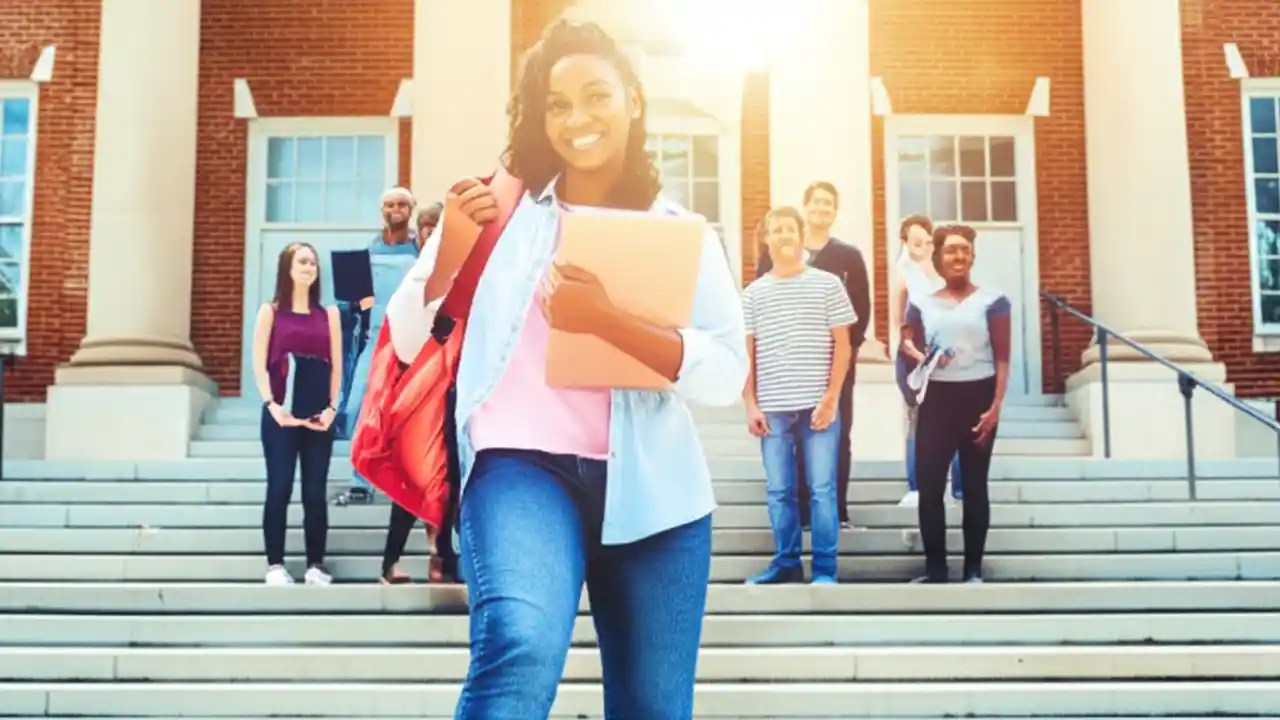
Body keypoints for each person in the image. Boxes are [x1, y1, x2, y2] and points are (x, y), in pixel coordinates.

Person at [385, 19, 746, 717]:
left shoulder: (681, 232)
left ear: (633, 100)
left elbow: (727, 375)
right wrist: (450, 248)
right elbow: (403, 338)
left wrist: (610, 322)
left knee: (653, 709)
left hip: (657, 495)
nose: (577, 118)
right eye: (557, 103)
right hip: (521, 470)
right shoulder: (499, 213)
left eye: (595, 95)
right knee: (518, 644)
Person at [743, 206, 854, 586]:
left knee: (822, 490)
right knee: (779, 491)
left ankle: (825, 569)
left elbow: (843, 345)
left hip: (818, 406)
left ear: (801, 235)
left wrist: (831, 397)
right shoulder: (753, 294)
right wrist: (750, 404)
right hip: (773, 408)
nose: (784, 235)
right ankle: (786, 563)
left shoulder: (827, 284)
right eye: (776, 230)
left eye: (790, 229)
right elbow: (747, 354)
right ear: (767, 239)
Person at [900, 224, 1010, 584]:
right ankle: (936, 569)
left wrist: (995, 407)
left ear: (973, 256)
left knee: (975, 485)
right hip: (937, 401)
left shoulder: (994, 301)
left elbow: (1003, 358)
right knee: (931, 488)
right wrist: (923, 359)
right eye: (950, 250)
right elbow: (907, 344)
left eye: (964, 250)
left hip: (978, 396)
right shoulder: (921, 303)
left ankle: (974, 569)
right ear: (938, 257)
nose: (958, 256)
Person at [757, 182, 869, 530]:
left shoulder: (848, 256)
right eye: (816, 202)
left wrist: (843, 354)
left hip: (835, 362)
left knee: (838, 432)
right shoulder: (778, 251)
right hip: (789, 365)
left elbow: (860, 311)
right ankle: (803, 512)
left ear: (835, 212)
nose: (822, 208)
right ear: (805, 208)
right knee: (794, 437)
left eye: (829, 204)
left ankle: (838, 509)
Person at [250, 242, 342, 586]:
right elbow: (259, 364)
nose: (309, 267)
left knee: (315, 492)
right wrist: (272, 405)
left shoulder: (329, 314)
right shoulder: (270, 312)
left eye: (313, 262)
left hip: (319, 418)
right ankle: (275, 565)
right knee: (279, 488)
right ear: (287, 269)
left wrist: (333, 408)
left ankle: (315, 566)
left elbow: (336, 365)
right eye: (302, 261)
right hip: (281, 417)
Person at [333, 187, 421, 507]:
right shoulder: (365, 253)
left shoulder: (421, 251)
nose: (394, 209)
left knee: (409, 413)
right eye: (388, 204)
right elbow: (345, 304)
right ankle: (361, 480)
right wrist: (354, 303)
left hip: (413, 342)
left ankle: (410, 484)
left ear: (411, 209)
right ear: (381, 209)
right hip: (374, 340)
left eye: (401, 204)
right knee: (358, 407)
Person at [891, 214, 964, 508]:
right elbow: (899, 323)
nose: (921, 247)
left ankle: (960, 490)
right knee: (919, 423)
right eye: (915, 242)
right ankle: (918, 488)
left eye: (926, 241)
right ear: (906, 243)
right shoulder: (903, 275)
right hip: (915, 356)